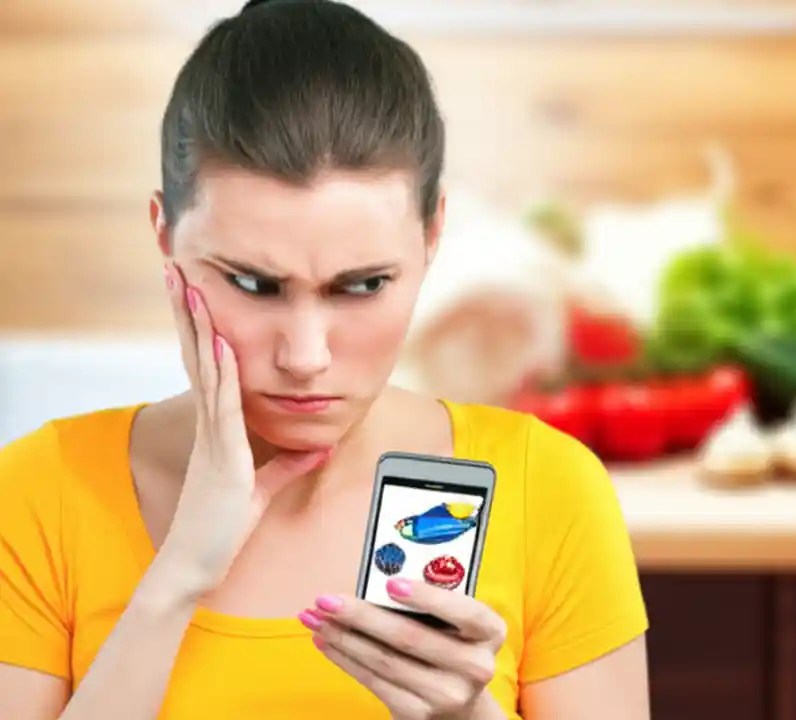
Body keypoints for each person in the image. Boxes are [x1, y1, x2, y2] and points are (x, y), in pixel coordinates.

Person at [0, 1, 650, 718]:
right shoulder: (38, 495)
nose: (306, 357)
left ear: (432, 235)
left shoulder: (549, 491)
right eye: (253, 283)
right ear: (164, 235)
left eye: (363, 285)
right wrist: (177, 576)